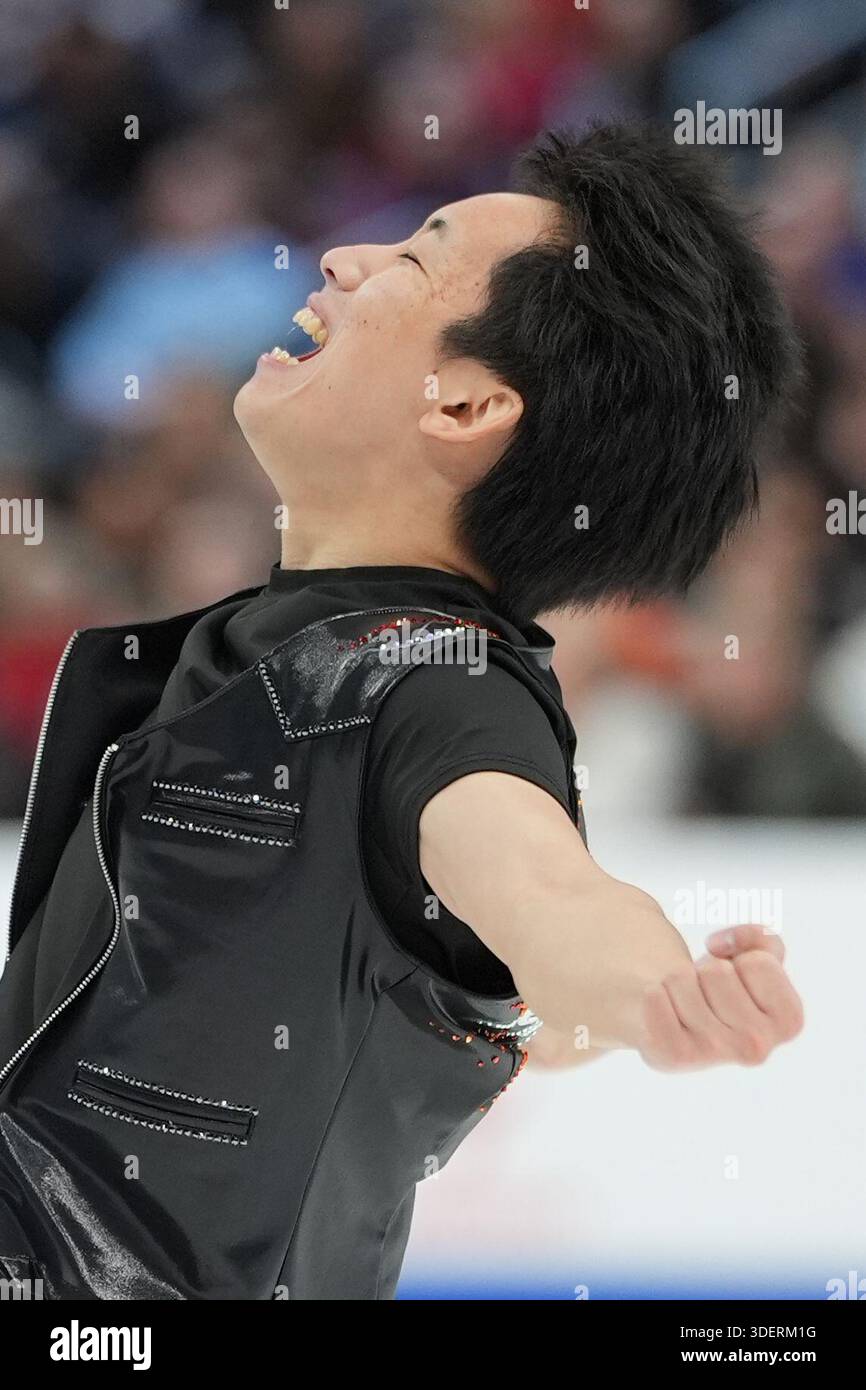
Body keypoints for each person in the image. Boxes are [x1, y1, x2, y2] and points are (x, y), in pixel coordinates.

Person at [0, 123, 804, 1301]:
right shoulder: (280, 649)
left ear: (469, 405)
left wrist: (652, 991)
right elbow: (519, 988)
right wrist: (577, 1006)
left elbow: (548, 896)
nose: (341, 259)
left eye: (415, 261)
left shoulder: (435, 689)